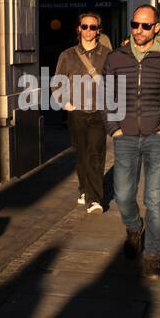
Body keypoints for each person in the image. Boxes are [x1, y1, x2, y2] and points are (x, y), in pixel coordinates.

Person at [103, 4, 160, 281]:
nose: (139, 30)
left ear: (156, 28)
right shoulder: (116, 58)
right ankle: (134, 228)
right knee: (122, 195)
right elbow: (107, 97)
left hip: (157, 138)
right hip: (125, 137)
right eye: (134, 24)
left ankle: (153, 256)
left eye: (145, 25)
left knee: (155, 200)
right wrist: (114, 128)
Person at [55, 12, 111, 214]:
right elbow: (58, 83)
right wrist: (65, 103)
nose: (89, 31)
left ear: (98, 30)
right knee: (81, 154)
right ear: (79, 28)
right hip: (76, 110)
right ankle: (84, 188)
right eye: (85, 26)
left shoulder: (107, 54)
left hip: (98, 111)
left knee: (96, 152)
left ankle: (95, 198)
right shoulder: (67, 55)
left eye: (93, 27)